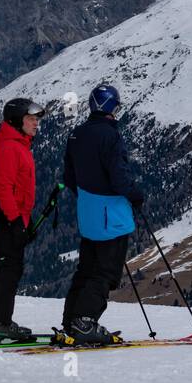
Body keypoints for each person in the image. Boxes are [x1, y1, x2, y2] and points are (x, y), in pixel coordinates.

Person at [61, 84, 145, 345]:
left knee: (86, 269)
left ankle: (71, 321)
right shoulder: (111, 137)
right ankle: (85, 323)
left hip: (88, 214)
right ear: (112, 108)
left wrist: (89, 198)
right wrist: (136, 195)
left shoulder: (77, 134)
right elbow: (119, 179)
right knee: (105, 273)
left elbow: (69, 177)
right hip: (112, 217)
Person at [0, 98, 45, 345]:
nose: (36, 123)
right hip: (6, 218)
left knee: (6, 266)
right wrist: (15, 222)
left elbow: (19, 190)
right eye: (31, 119)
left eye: (37, 119)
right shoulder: (9, 148)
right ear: (17, 121)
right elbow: (2, 189)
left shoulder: (19, 146)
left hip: (12, 217)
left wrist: (26, 219)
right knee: (11, 269)